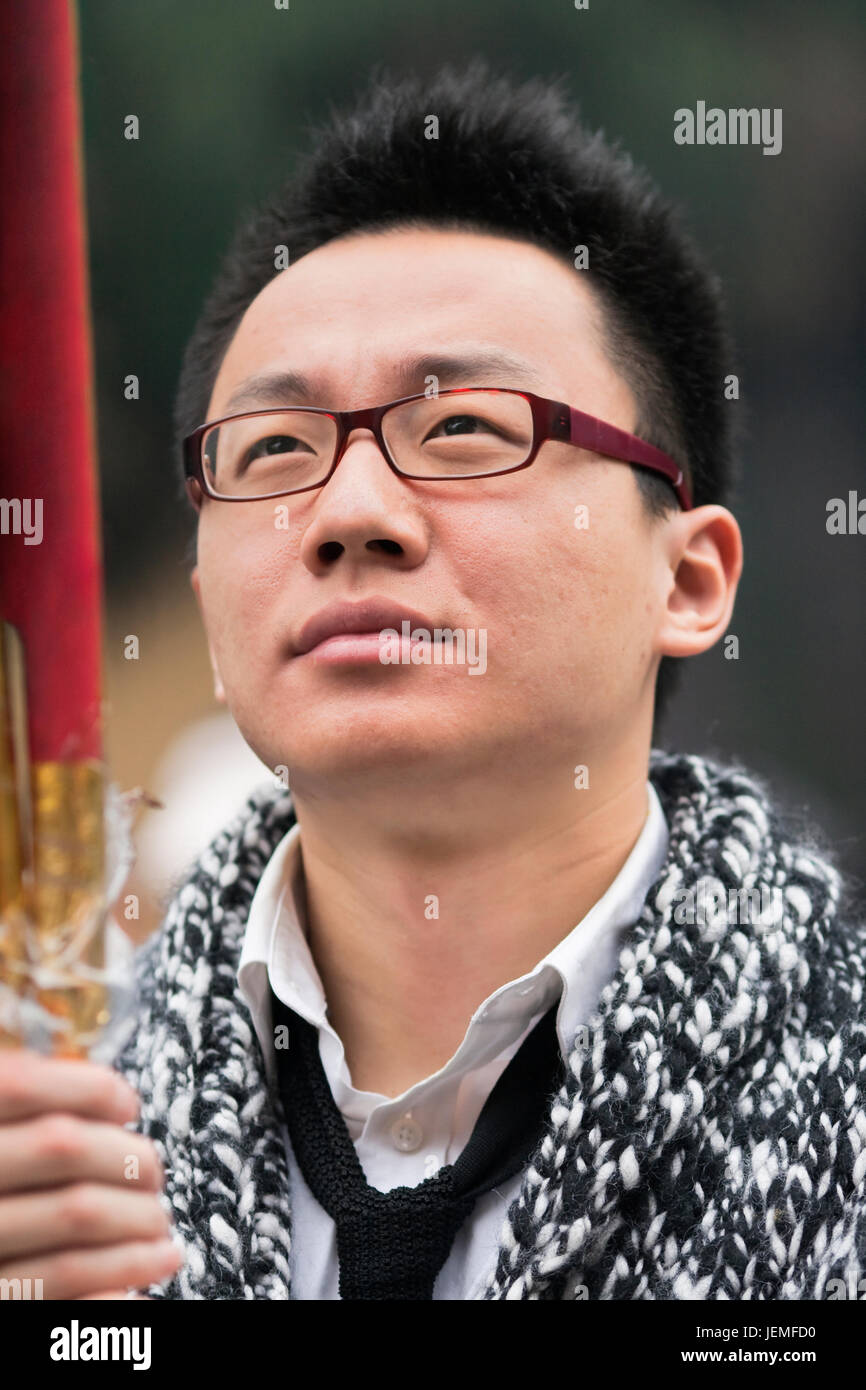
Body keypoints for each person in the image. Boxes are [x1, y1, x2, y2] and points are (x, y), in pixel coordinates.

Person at [2, 61, 864, 1302]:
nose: (349, 513)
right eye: (275, 448)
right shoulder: (52, 1131)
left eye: (462, 427)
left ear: (686, 580)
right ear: (204, 595)